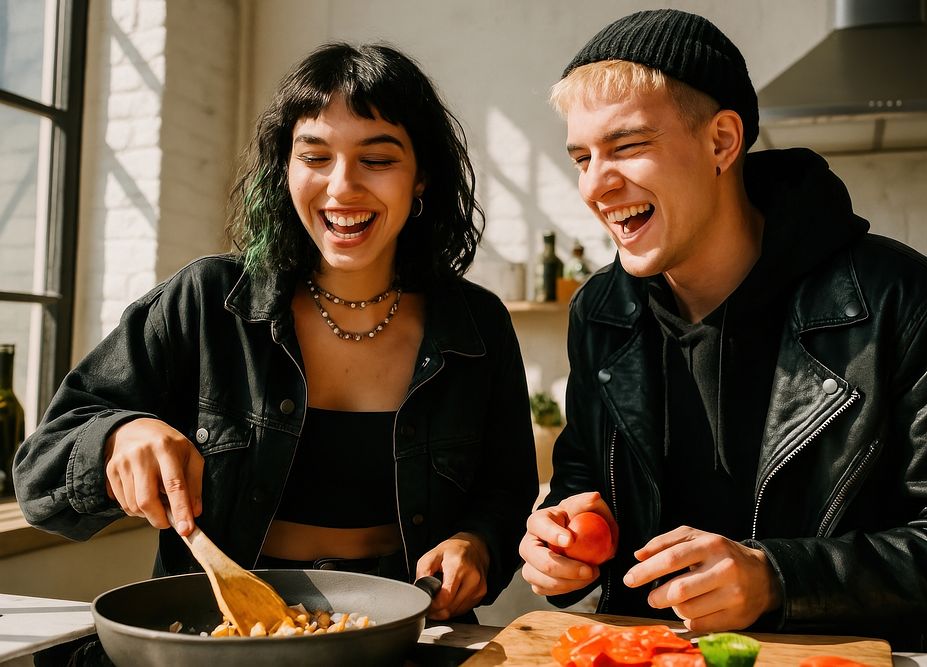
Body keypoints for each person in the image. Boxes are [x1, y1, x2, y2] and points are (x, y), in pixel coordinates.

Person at [519, 8, 927, 653]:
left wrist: (778, 578)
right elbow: (586, 481)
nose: (595, 185)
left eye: (628, 146)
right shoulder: (602, 310)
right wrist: (567, 543)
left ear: (721, 141)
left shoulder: (906, 302)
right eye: (582, 156)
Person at [14, 42, 538, 622]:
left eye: (378, 159)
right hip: (219, 632)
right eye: (315, 157)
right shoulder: (206, 301)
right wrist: (116, 437)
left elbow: (506, 490)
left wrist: (478, 546)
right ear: (284, 170)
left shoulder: (475, 324)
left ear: (421, 179)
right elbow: (39, 479)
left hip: (407, 632)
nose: (342, 187)